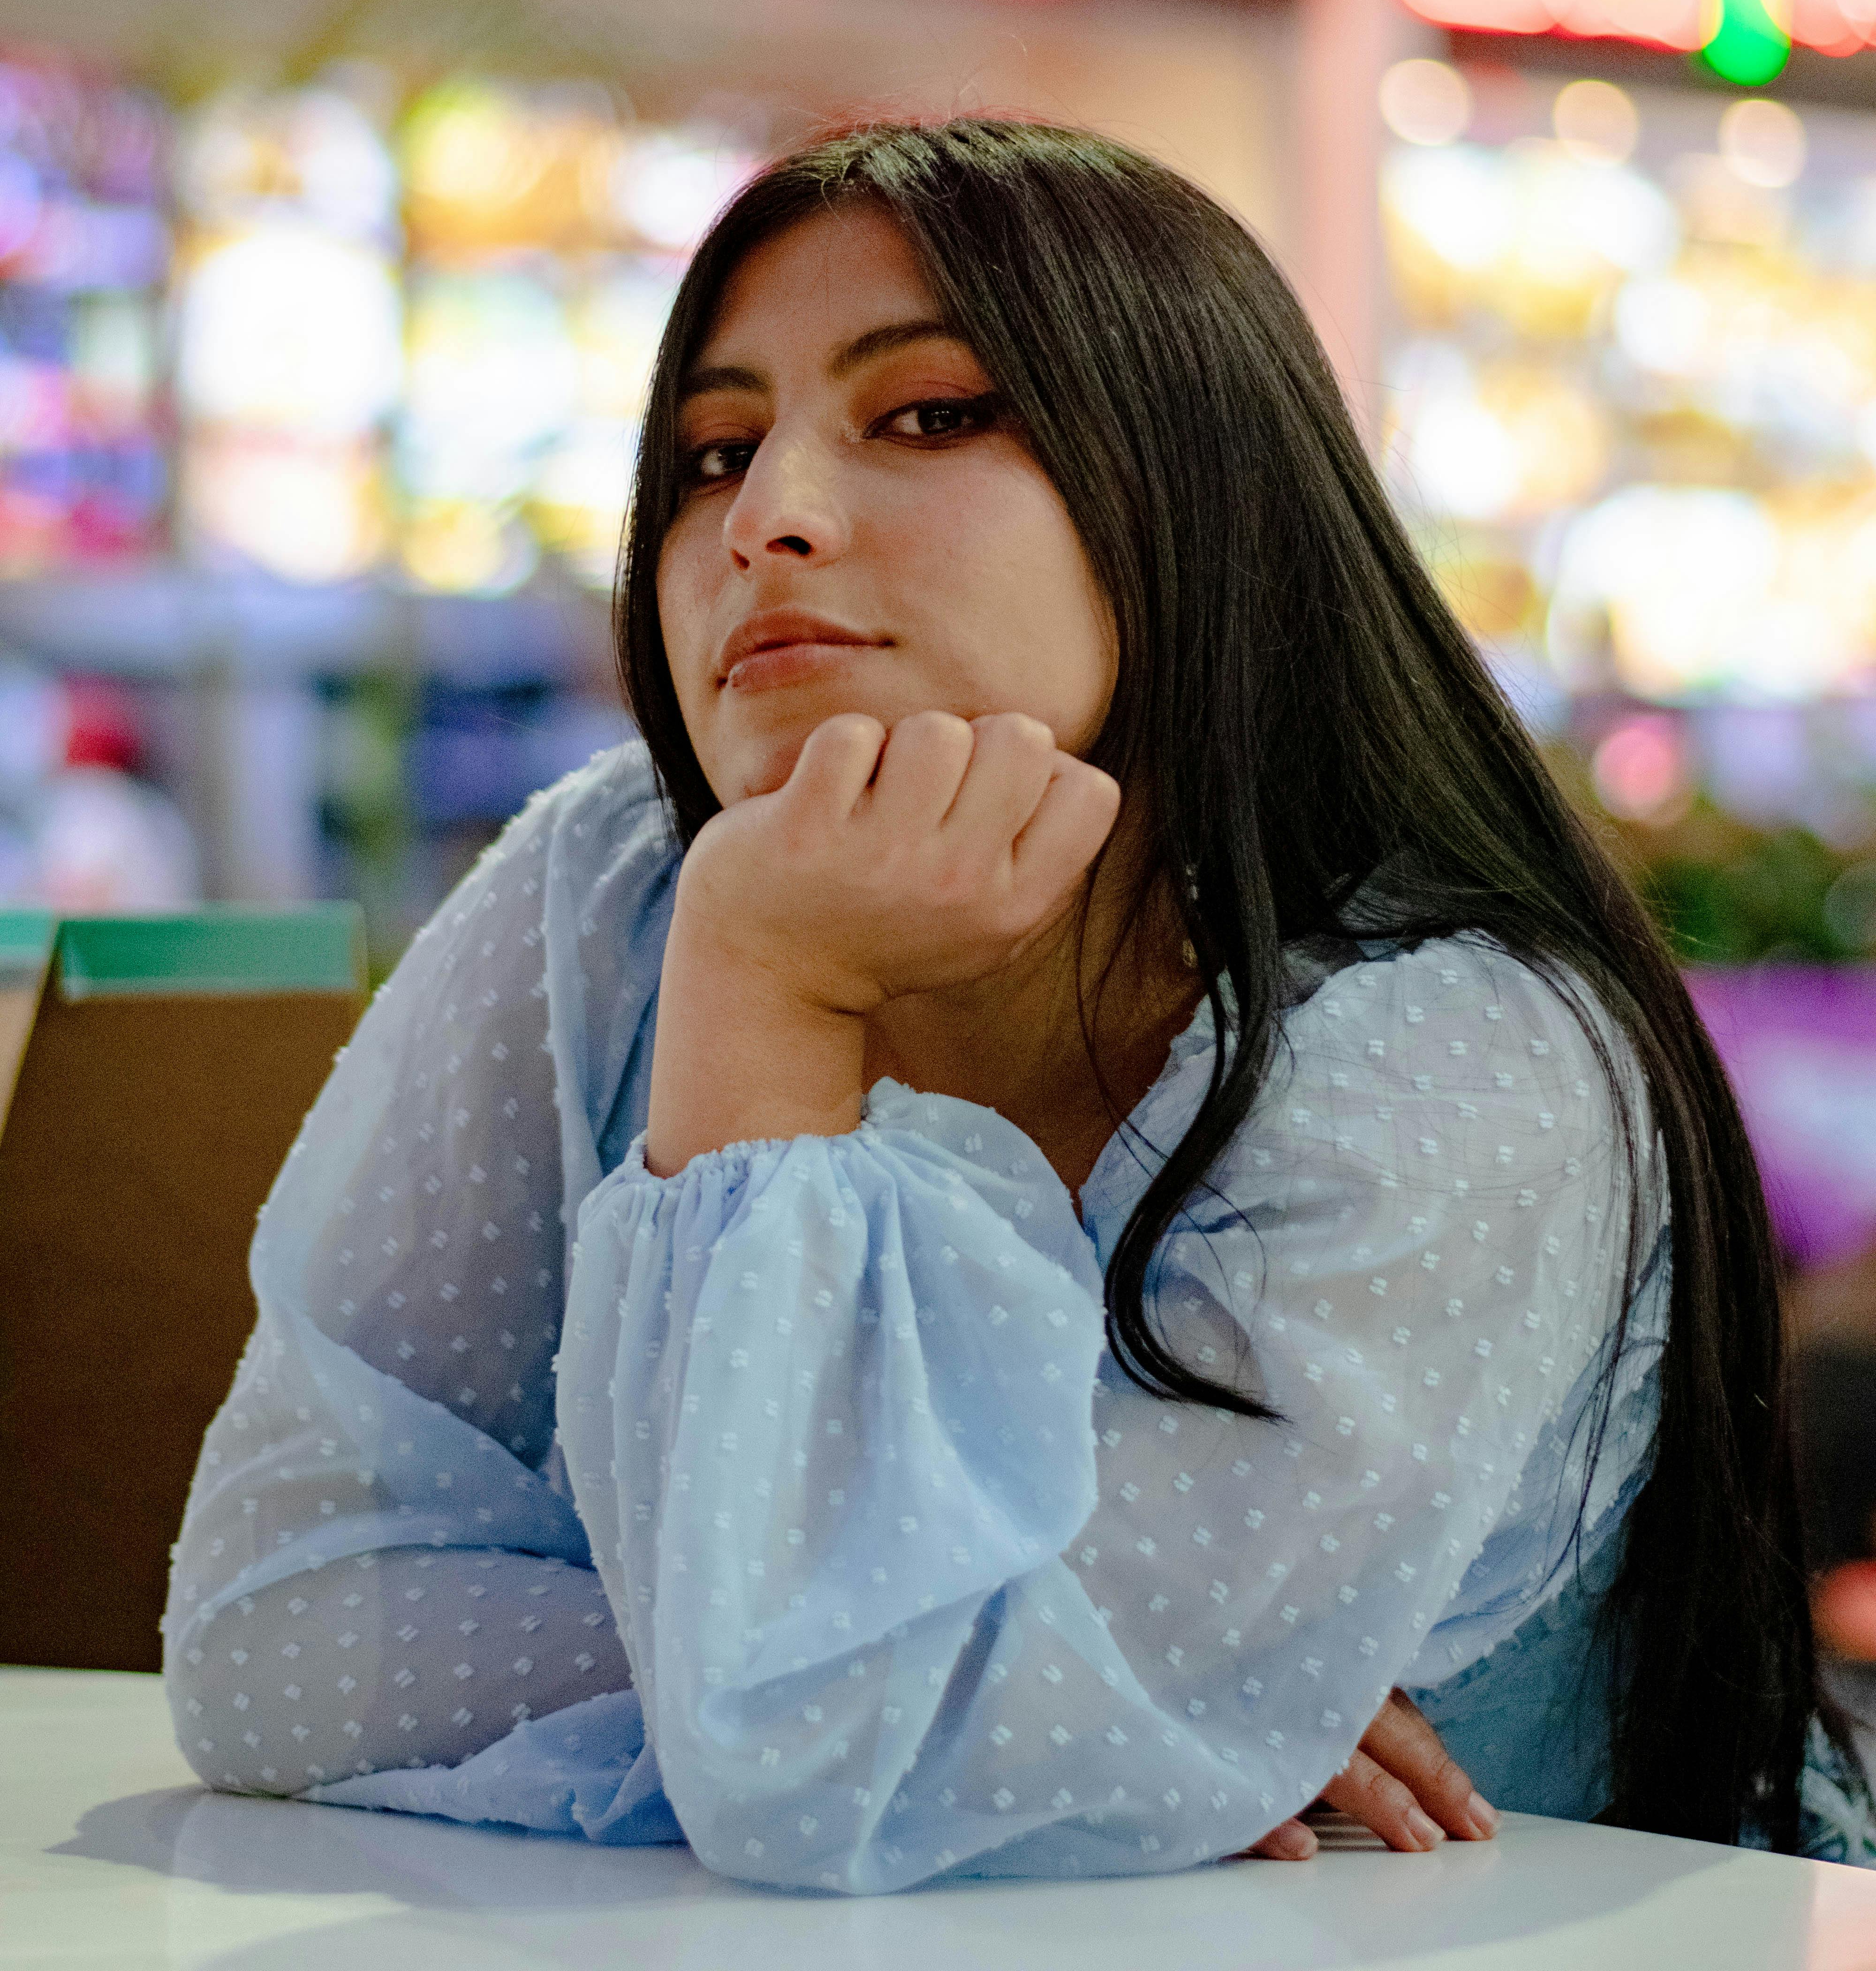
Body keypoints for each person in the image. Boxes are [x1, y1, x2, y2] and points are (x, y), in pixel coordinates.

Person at [165, 118, 1874, 1886]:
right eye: (712, 452)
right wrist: (989, 1710)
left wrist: (768, 999)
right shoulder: (612, 894)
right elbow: (276, 1625)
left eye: (927, 415)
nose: (768, 521)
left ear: (1199, 487)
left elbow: (826, 1755)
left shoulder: (1463, 1051)